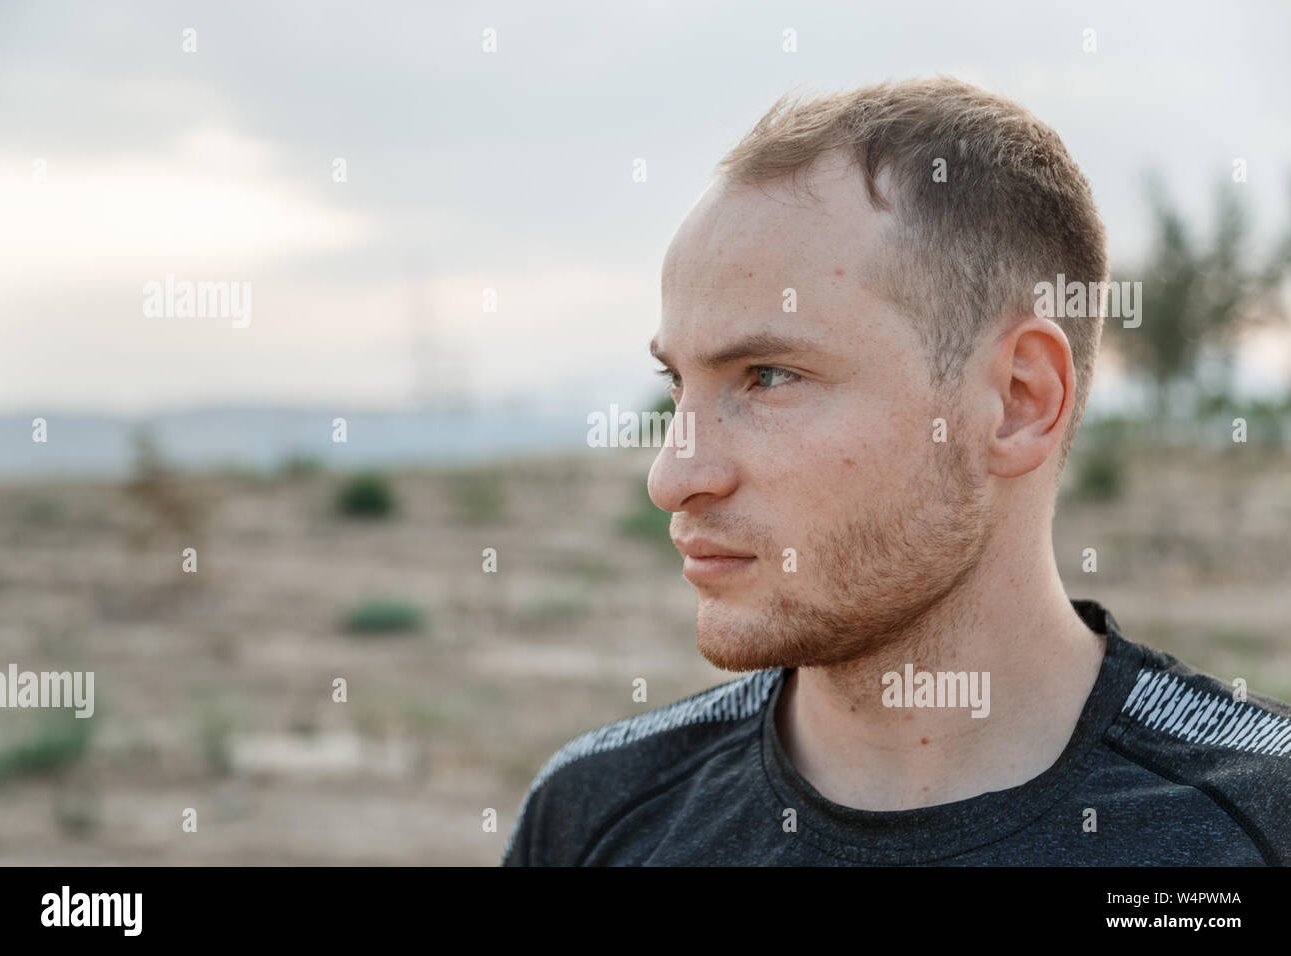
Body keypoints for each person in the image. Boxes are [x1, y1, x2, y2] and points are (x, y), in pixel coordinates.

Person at [503, 76, 1291, 866]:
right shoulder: (592, 817)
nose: (673, 477)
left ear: (1018, 401)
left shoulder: (1258, 824)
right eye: (677, 385)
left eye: (769, 375)